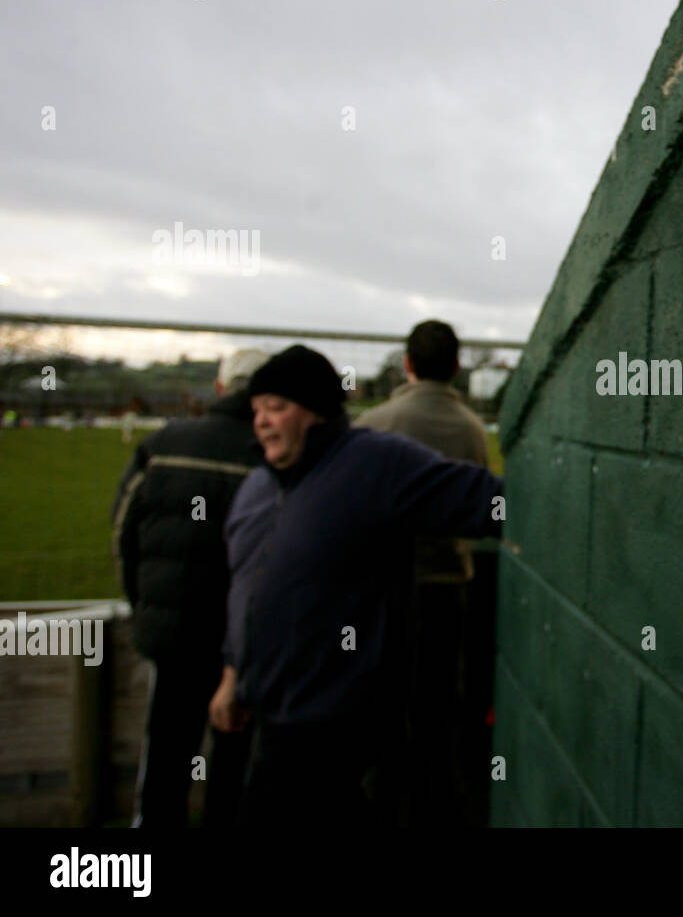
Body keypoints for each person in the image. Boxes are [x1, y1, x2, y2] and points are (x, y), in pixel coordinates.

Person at [207, 344, 503, 827]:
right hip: (264, 709)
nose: (261, 421)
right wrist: (231, 673)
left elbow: (492, 503)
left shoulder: (374, 462)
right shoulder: (258, 487)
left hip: (338, 717)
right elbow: (245, 588)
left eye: (277, 408)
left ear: (317, 412)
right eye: (257, 409)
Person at [112, 348, 269, 827]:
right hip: (243, 644)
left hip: (174, 633)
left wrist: (144, 605)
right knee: (235, 768)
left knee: (166, 756)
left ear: (220, 388)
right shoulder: (275, 456)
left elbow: (123, 532)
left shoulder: (164, 442)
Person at [354, 320, 492, 824]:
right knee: (437, 711)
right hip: (447, 588)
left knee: (380, 712)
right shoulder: (472, 429)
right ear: (456, 366)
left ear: (408, 363)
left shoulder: (373, 423)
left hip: (382, 592)